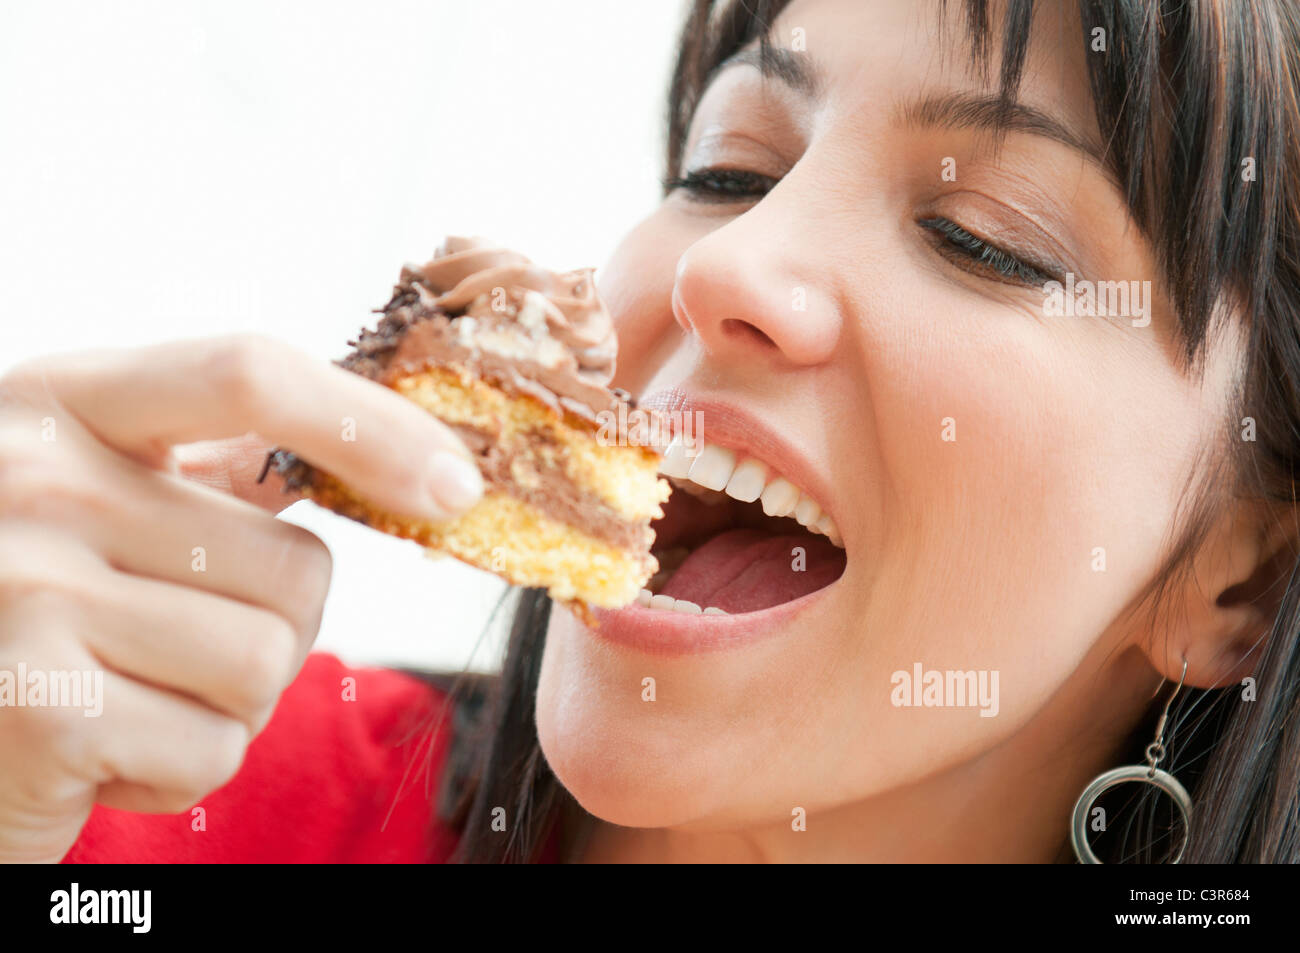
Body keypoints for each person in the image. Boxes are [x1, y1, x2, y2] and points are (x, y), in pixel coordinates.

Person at [2, 0, 1298, 864]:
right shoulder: (120, 806)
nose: (729, 263)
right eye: (727, 169)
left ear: (1234, 576)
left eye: (985, 240)